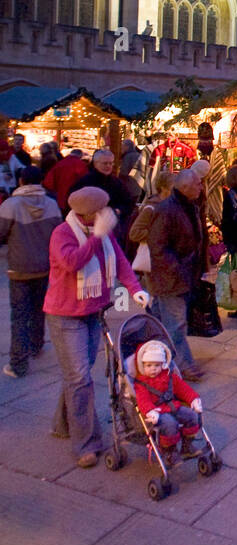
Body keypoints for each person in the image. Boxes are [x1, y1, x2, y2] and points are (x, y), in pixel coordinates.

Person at [43, 186, 148, 466]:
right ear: (87, 215)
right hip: (65, 315)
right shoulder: (62, 234)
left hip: (93, 311)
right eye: (101, 210)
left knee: (78, 374)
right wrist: (97, 237)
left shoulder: (102, 231)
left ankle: (62, 424)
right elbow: (72, 262)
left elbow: (121, 261)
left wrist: (135, 288)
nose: (107, 213)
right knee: (80, 378)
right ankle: (85, 443)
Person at [0, 165, 62, 378]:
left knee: (19, 314)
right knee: (39, 308)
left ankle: (18, 363)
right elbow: (58, 235)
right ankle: (36, 346)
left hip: (19, 267)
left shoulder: (10, 205)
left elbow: (0, 233)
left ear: (21, 181)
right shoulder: (52, 205)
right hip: (45, 266)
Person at [146, 170, 205, 380]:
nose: (201, 186)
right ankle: (184, 364)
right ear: (185, 187)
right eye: (198, 183)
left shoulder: (189, 206)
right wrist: (176, 269)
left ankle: (151, 352)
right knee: (176, 323)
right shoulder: (166, 209)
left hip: (183, 274)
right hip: (171, 277)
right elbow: (158, 247)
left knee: (160, 319)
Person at [132, 338, 203, 464]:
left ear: (163, 364)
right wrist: (150, 411)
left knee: (192, 416)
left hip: (173, 406)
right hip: (157, 413)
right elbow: (143, 400)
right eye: (148, 365)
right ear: (141, 365)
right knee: (170, 424)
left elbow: (183, 389)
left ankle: (187, 446)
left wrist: (193, 399)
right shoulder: (141, 383)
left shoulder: (169, 376)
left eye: (157, 365)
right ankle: (169, 451)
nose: (153, 369)